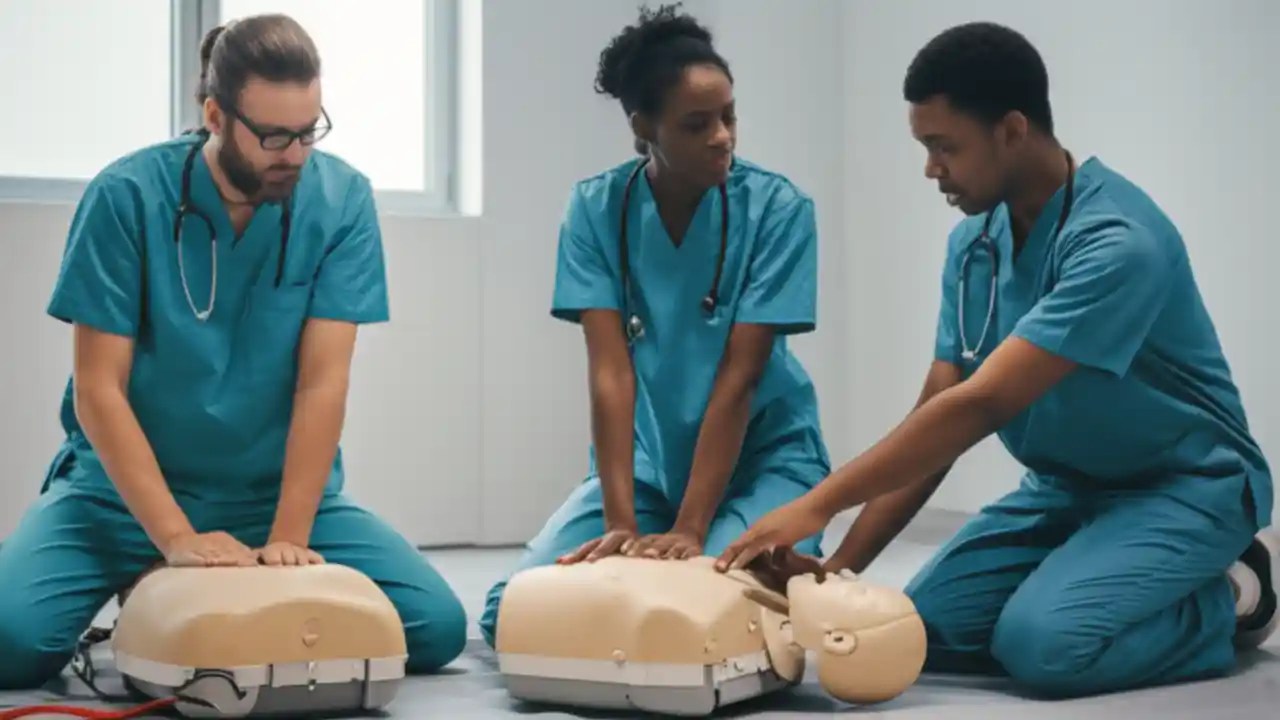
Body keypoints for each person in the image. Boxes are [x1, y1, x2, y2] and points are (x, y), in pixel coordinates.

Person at [715, 21, 1278, 699]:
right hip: (1068, 489)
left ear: (1012, 130)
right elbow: (938, 414)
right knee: (919, 631)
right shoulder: (975, 245)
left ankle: (1236, 590)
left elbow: (981, 405)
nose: (931, 168)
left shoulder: (1120, 243)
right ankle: (1108, 577)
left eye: (944, 147)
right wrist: (837, 569)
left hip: (1185, 488)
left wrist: (818, 503)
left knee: (1045, 647)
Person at [0, 14, 466, 690]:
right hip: (119, 497)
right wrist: (176, 540)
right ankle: (148, 581)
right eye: (274, 136)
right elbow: (99, 388)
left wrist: (289, 539)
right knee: (12, 645)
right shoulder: (127, 196)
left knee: (432, 629)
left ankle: (185, 590)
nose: (296, 155)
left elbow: (322, 385)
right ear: (215, 114)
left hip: (267, 493)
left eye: (310, 131)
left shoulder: (340, 202)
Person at [478, 4, 831, 646]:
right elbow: (610, 372)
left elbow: (740, 376)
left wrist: (692, 527)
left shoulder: (779, 210)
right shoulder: (596, 208)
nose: (723, 136)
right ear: (643, 128)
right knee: (517, 609)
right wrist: (620, 525)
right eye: (697, 124)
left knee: (716, 604)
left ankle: (786, 572)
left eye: (728, 116)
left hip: (762, 463)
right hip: (650, 469)